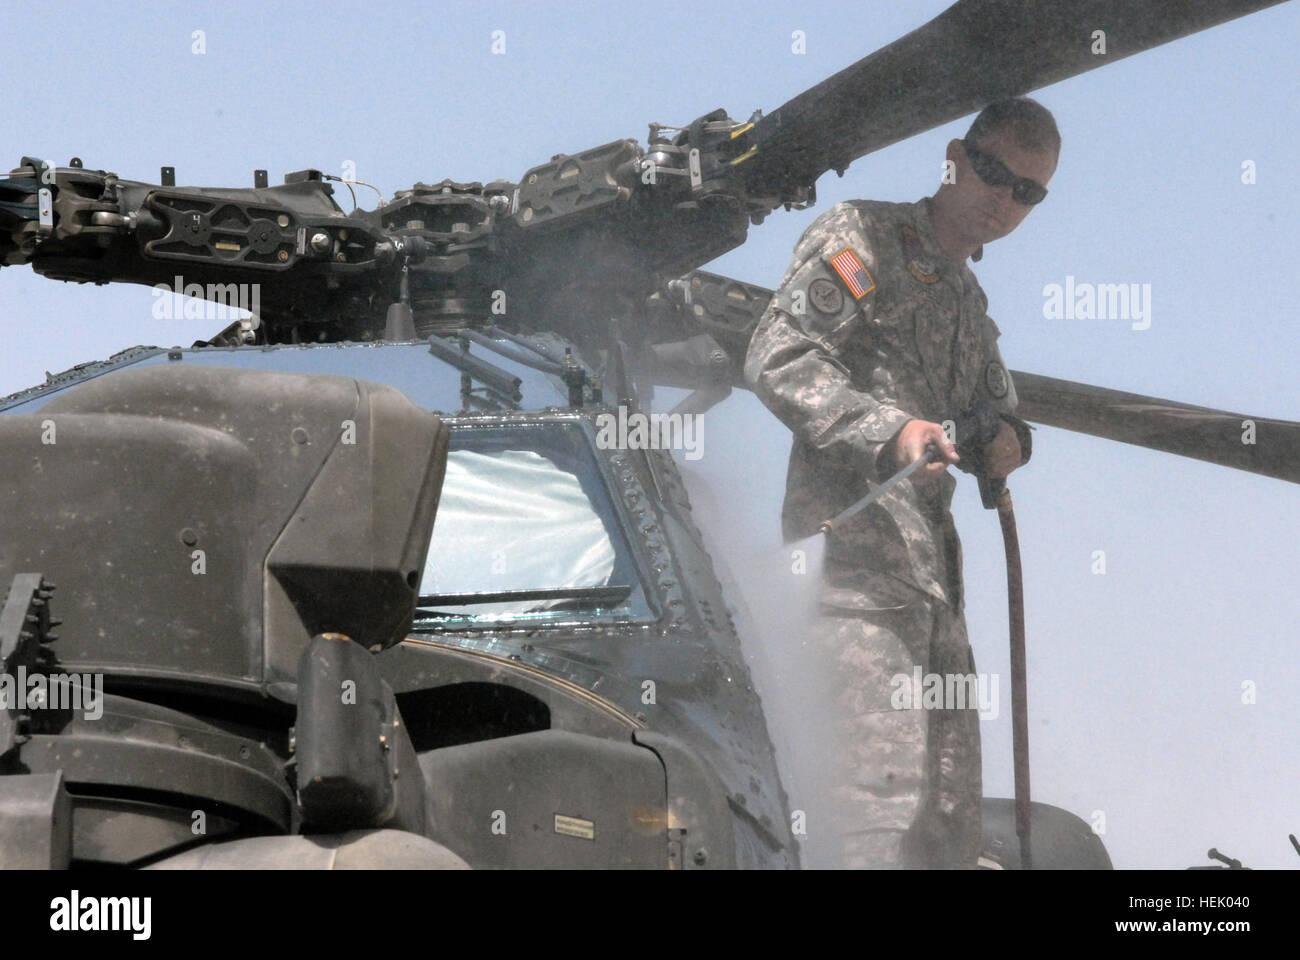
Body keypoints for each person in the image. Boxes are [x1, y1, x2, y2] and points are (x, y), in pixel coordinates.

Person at [744, 97, 1059, 868]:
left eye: (1027, 191)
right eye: (991, 172)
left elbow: (1002, 414)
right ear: (955, 156)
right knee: (872, 827)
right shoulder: (864, 238)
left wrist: (1009, 442)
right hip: (856, 589)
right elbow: (777, 357)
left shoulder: (966, 300)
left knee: (946, 833)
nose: (1002, 199)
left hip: (934, 601)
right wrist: (889, 430)